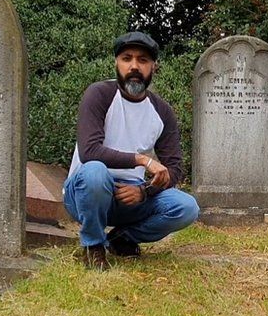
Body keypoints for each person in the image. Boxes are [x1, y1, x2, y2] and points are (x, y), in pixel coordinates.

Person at [63, 32, 199, 270]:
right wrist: (143, 161)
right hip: (87, 192)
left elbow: (175, 169)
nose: (134, 66)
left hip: (131, 198)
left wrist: (145, 191)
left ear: (154, 67)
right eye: (127, 58)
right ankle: (93, 246)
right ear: (116, 62)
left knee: (187, 207)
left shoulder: (162, 111)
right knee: (95, 172)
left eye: (143, 60)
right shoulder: (99, 94)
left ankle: (123, 238)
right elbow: (89, 152)